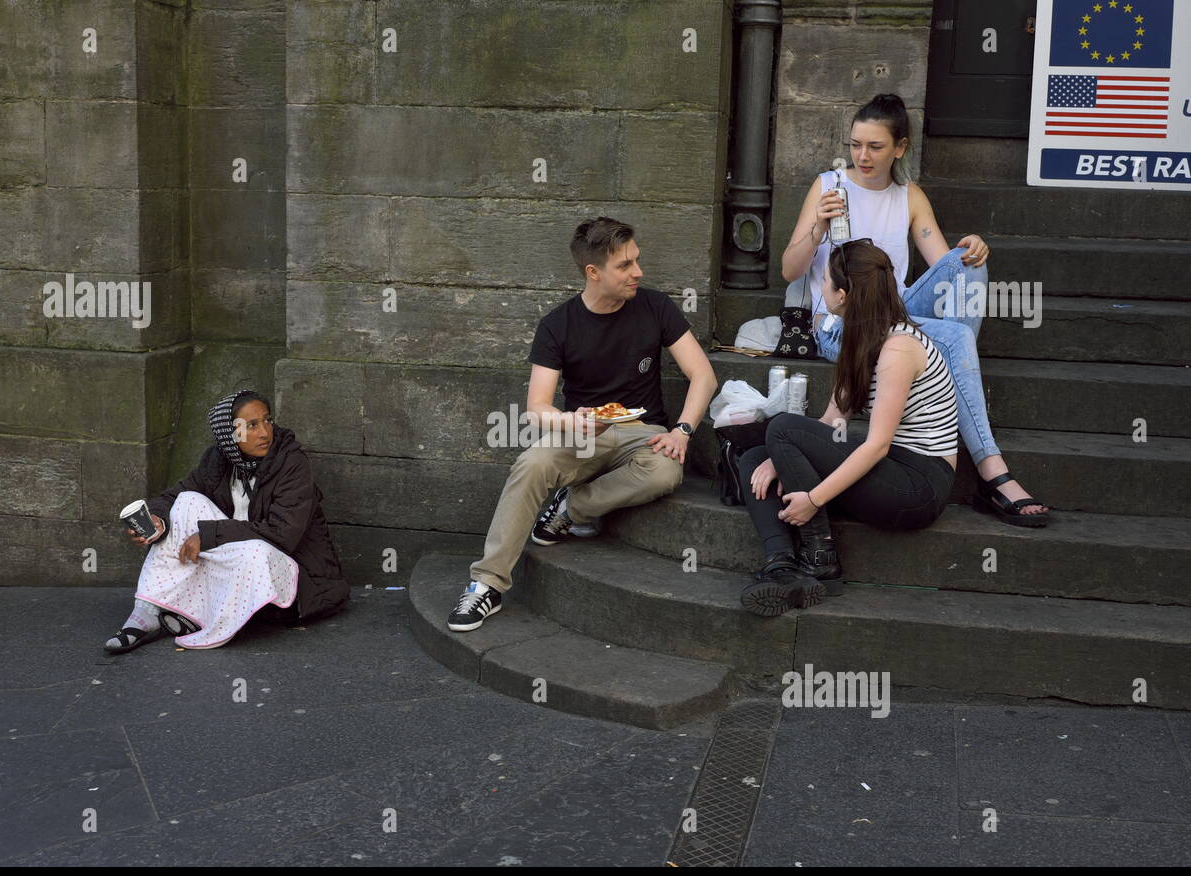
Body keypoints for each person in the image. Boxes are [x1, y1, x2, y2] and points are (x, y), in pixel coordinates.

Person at [780, 93, 1049, 527]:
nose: (862, 156)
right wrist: (818, 228)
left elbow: (947, 279)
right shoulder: (828, 186)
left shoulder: (910, 196)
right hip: (839, 326)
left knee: (966, 263)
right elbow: (789, 270)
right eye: (855, 145)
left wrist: (973, 250)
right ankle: (990, 468)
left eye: (875, 146)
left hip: (894, 325)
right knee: (956, 337)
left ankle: (937, 387)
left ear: (900, 147)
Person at [447, 217, 718, 631]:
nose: (638, 273)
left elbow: (703, 376)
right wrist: (570, 421)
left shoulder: (655, 306)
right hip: (584, 432)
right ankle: (487, 585)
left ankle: (571, 507)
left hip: (644, 432)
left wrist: (682, 430)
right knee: (532, 464)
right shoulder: (558, 325)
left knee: (665, 471)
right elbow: (537, 406)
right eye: (625, 266)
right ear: (593, 272)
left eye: (637, 261)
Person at [737, 240, 959, 616]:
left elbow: (877, 447)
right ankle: (783, 567)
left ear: (843, 294)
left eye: (825, 280)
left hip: (918, 484)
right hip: (891, 469)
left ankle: (819, 553)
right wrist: (778, 457)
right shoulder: (859, 340)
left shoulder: (899, 349)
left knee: (783, 427)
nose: (821, 287)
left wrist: (813, 500)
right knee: (755, 457)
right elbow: (831, 423)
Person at [105, 389, 350, 652]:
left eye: (267, 420)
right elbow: (173, 496)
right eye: (251, 426)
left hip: (295, 584)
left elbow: (283, 534)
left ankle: (211, 621)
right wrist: (157, 522)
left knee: (254, 551)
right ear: (229, 435)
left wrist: (210, 535)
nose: (265, 432)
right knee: (188, 501)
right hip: (240, 572)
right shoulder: (218, 461)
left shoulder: (291, 462)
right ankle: (146, 613)